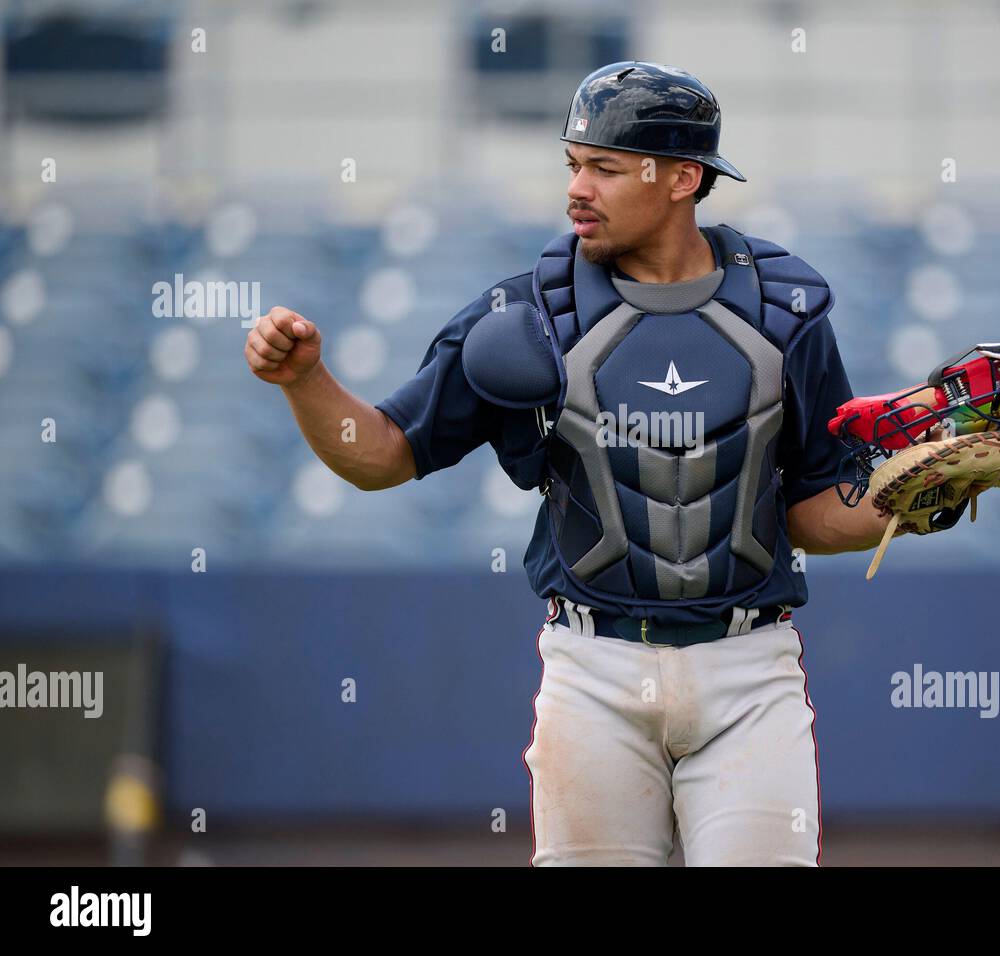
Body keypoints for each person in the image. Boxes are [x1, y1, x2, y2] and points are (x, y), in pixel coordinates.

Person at [244, 61, 893, 866]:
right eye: (573, 165)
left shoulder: (784, 310)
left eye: (606, 169)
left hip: (749, 673)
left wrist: (919, 494)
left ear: (683, 177)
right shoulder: (525, 316)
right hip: (593, 675)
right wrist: (305, 379)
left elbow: (812, 512)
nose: (576, 189)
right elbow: (379, 456)